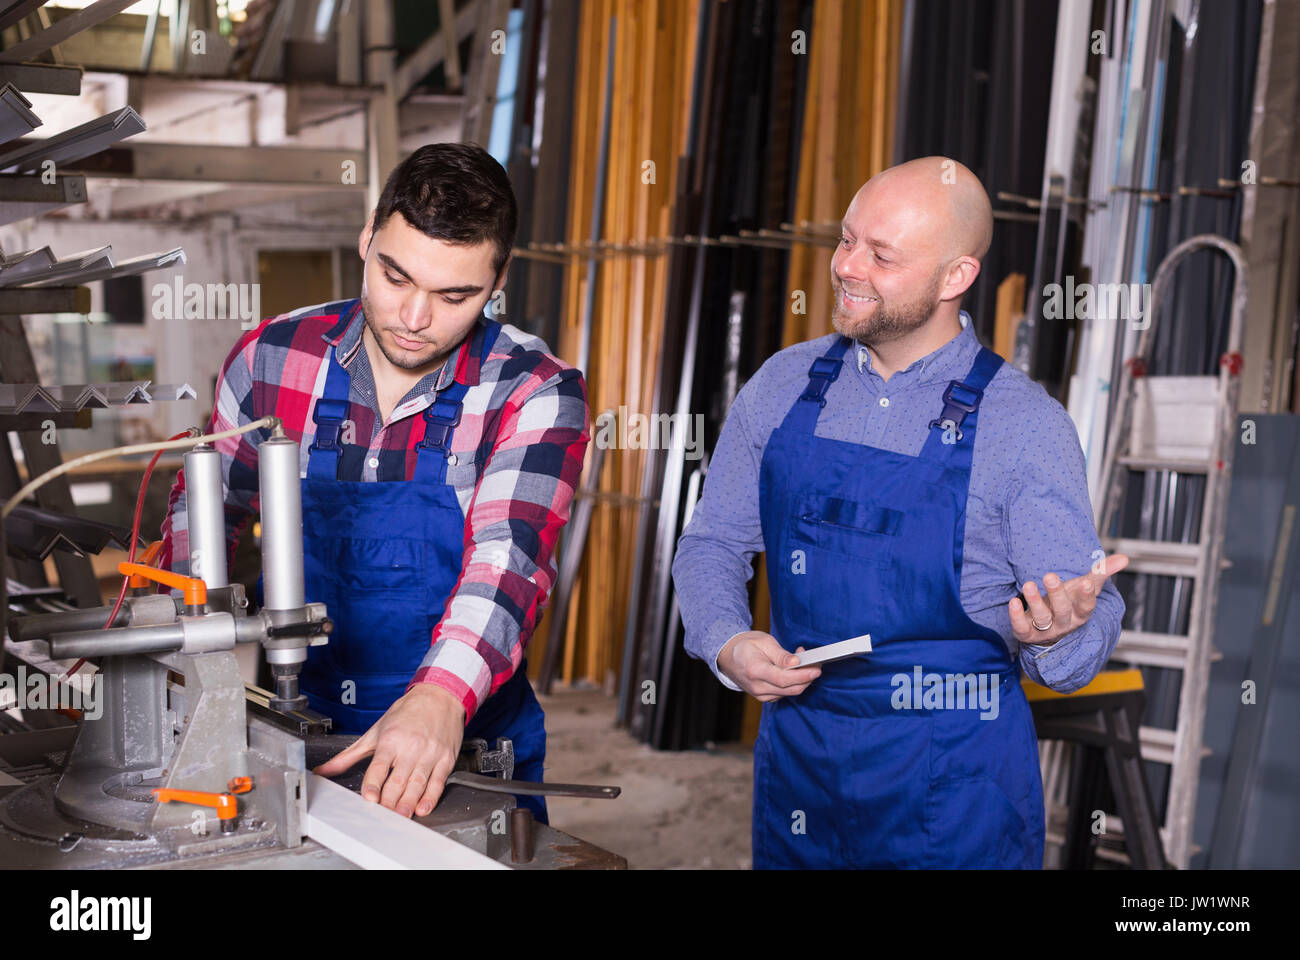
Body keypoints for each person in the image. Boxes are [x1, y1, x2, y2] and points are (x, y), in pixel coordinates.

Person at [672, 156, 1128, 868]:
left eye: (881, 255)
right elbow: (712, 543)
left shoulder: (1024, 426)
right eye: (847, 239)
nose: (848, 266)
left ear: (955, 278)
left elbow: (1081, 627)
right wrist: (727, 640)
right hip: (803, 772)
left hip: (953, 793)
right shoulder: (783, 386)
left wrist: (1058, 634)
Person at [160, 142, 589, 823]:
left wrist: (441, 698)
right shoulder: (272, 359)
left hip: (463, 734)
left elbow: (511, 559)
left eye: (455, 295)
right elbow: (207, 514)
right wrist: (169, 643)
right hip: (297, 718)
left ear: (498, 277)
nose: (414, 318)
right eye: (395, 278)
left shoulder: (533, 390)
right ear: (367, 238)